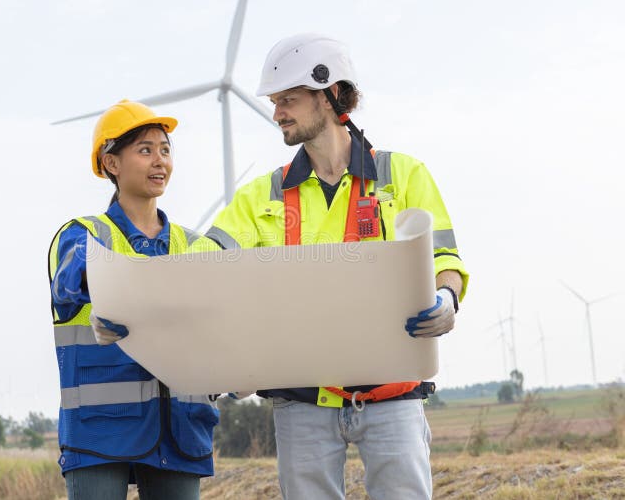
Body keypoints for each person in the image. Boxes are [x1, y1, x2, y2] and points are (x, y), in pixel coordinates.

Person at [204, 33, 470, 499]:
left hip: (393, 393)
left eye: (288, 99)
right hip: (302, 400)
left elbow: (443, 258)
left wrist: (447, 297)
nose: (276, 113)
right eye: (274, 101)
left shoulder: (403, 176)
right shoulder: (258, 197)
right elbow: (202, 266)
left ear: (329, 95)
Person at [48, 99, 220, 500]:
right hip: (100, 429)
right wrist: (113, 279)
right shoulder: (83, 235)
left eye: (165, 149)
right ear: (111, 164)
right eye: (145, 150)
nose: (160, 161)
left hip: (180, 428)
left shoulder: (195, 246)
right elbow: (69, 285)